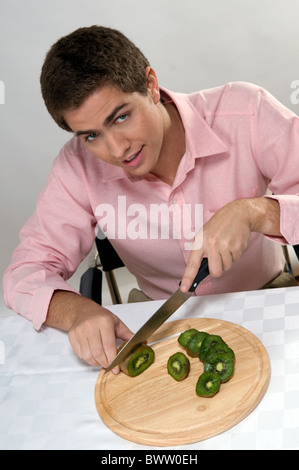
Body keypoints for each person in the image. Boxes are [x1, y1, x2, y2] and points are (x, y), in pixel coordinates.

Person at [3, 25, 299, 373]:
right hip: (160, 319)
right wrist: (76, 310)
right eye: (92, 136)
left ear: (151, 84)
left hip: (265, 295)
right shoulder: (77, 168)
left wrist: (257, 211)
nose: (117, 149)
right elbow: (24, 272)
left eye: (122, 116)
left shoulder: (246, 111)